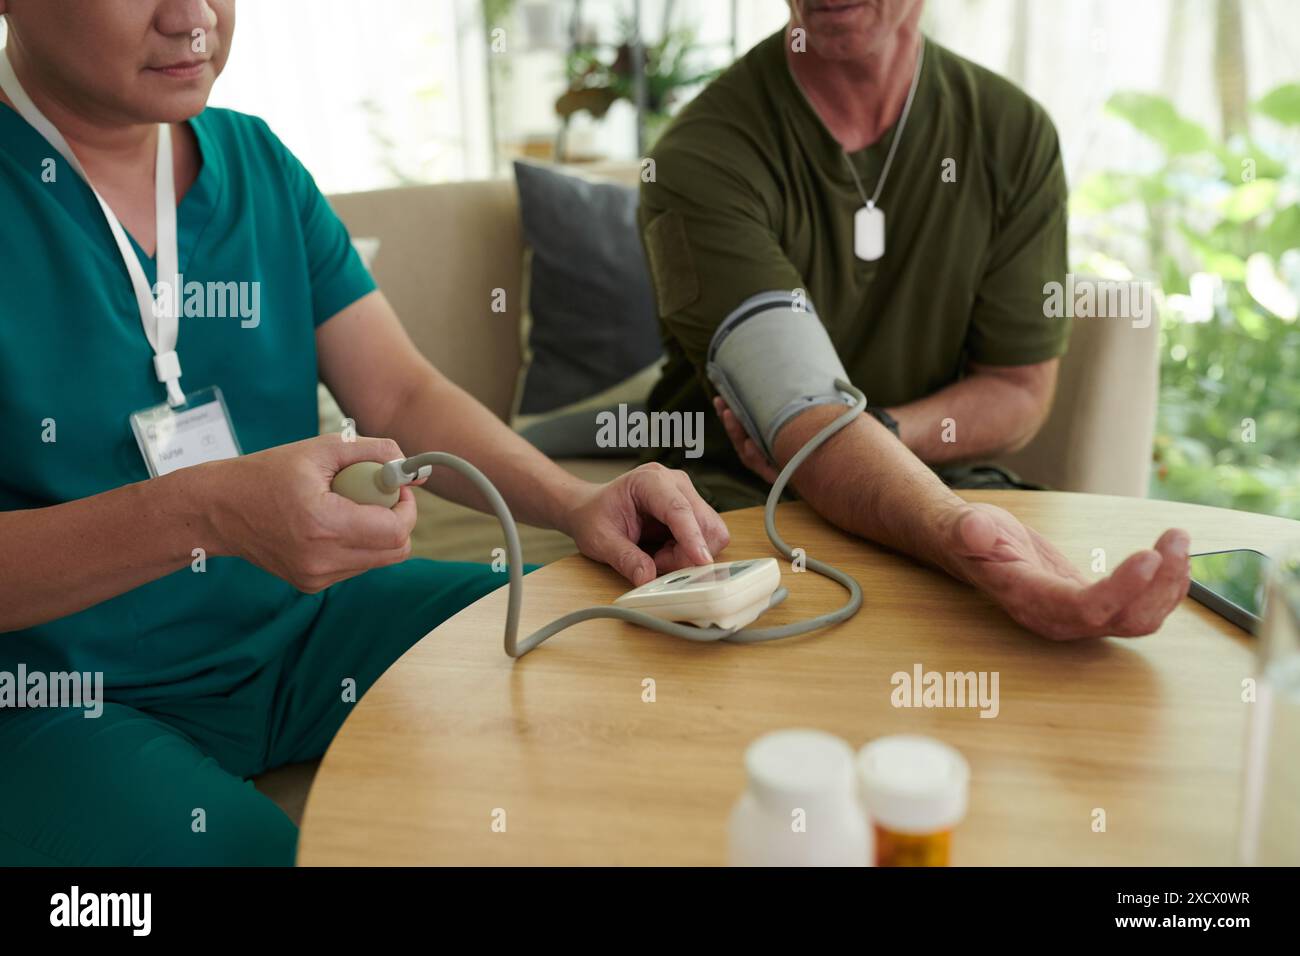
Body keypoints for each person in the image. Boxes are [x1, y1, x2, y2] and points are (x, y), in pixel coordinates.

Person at [0, 0, 728, 865]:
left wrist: (577, 503)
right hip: (56, 696)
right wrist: (206, 516)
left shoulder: (258, 162)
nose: (192, 18)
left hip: (302, 634)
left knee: (608, 636)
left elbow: (402, 393)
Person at [638, 0, 1191, 641]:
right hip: (736, 498)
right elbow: (805, 418)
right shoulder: (698, 155)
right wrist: (958, 535)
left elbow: (1019, 390)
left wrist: (892, 437)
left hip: (944, 479)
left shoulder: (1011, 134)